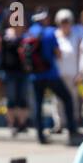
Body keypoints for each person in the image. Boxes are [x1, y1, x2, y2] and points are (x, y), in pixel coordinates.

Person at [25, 8, 79, 145]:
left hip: (35, 75)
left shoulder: (29, 32)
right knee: (67, 98)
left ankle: (40, 135)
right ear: (45, 19)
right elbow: (58, 53)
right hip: (51, 74)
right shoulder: (49, 32)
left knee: (38, 104)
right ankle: (72, 130)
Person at [0, 20, 29, 136]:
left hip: (23, 71)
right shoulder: (4, 35)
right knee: (11, 98)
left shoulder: (26, 36)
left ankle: (22, 124)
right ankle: (12, 124)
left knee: (22, 98)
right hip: (9, 72)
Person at [52, 9, 83, 134]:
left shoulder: (77, 36)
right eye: (62, 22)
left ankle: (73, 123)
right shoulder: (54, 35)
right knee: (57, 100)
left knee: (74, 99)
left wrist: (80, 73)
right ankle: (59, 123)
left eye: (67, 21)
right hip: (58, 74)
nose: (65, 24)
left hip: (73, 74)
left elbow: (81, 56)